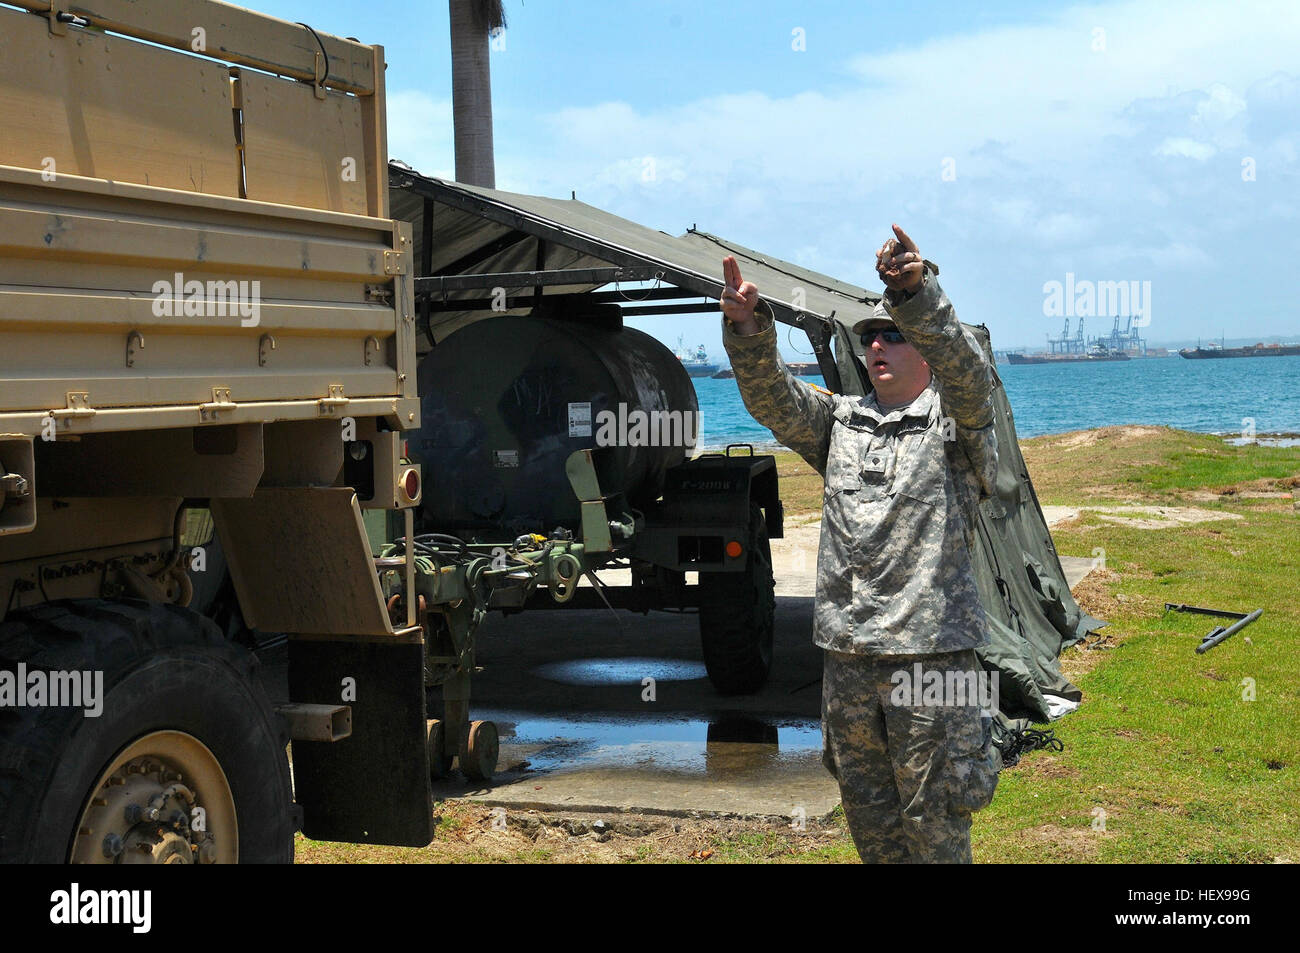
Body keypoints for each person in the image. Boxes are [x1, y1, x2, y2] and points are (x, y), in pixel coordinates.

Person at [719, 224, 1000, 863]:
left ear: (923, 346)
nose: (877, 343)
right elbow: (774, 401)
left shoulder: (959, 426)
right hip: (848, 662)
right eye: (870, 335)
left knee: (935, 832)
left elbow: (968, 374)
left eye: (893, 335)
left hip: (930, 665)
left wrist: (915, 293)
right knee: (872, 831)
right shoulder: (841, 424)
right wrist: (748, 331)